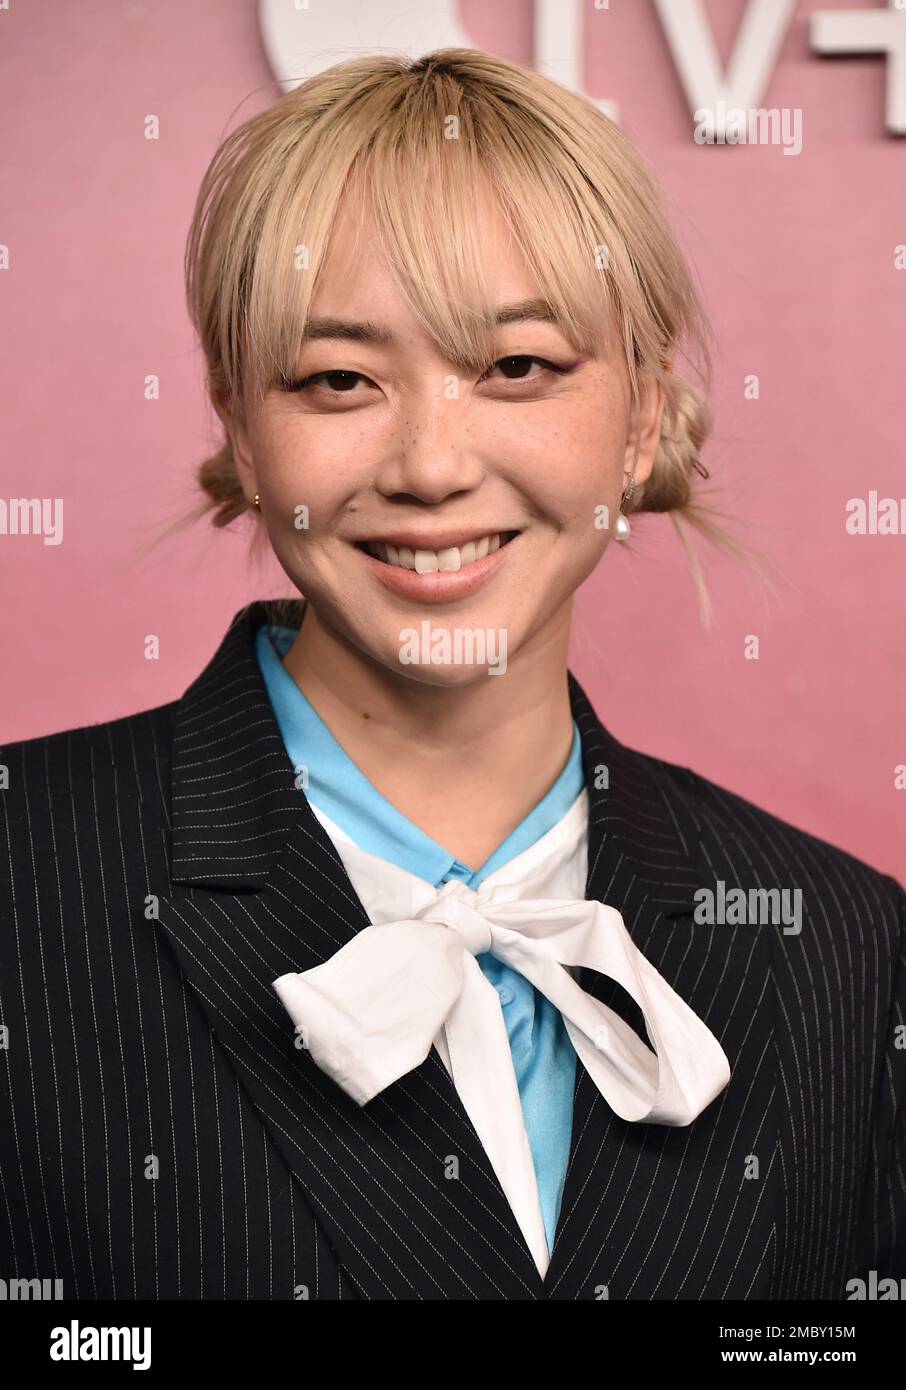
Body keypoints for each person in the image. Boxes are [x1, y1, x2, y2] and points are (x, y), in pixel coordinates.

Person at [1, 47, 903, 1302]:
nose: (429, 465)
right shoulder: (23, 879)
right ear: (242, 430)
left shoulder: (848, 948)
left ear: (642, 417)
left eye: (517, 367)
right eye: (338, 380)